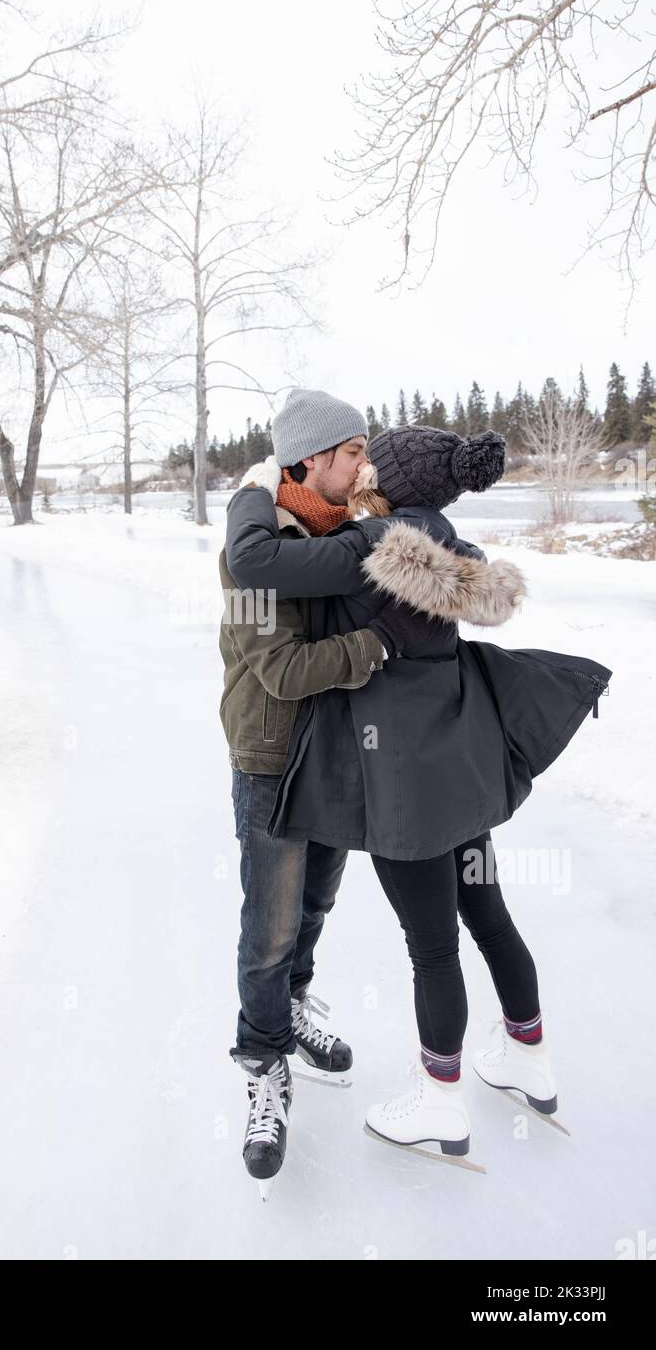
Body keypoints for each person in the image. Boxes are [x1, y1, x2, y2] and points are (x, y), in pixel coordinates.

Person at [226, 420, 611, 1171]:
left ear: (391, 480)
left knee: (431, 946)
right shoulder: (454, 552)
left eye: (373, 458)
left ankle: (438, 1102)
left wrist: (253, 489)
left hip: (402, 778)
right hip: (462, 766)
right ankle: (527, 1058)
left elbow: (256, 562)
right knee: (488, 915)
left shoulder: (374, 548)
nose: (362, 465)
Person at [220, 391, 496, 1190]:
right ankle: (263, 1066)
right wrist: (380, 642)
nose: (362, 464)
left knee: (314, 906)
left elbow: (440, 562)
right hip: (272, 753)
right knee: (269, 927)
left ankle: (293, 1008)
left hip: (336, 755)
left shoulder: (345, 531)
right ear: (310, 459)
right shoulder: (256, 541)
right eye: (350, 451)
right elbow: (278, 670)